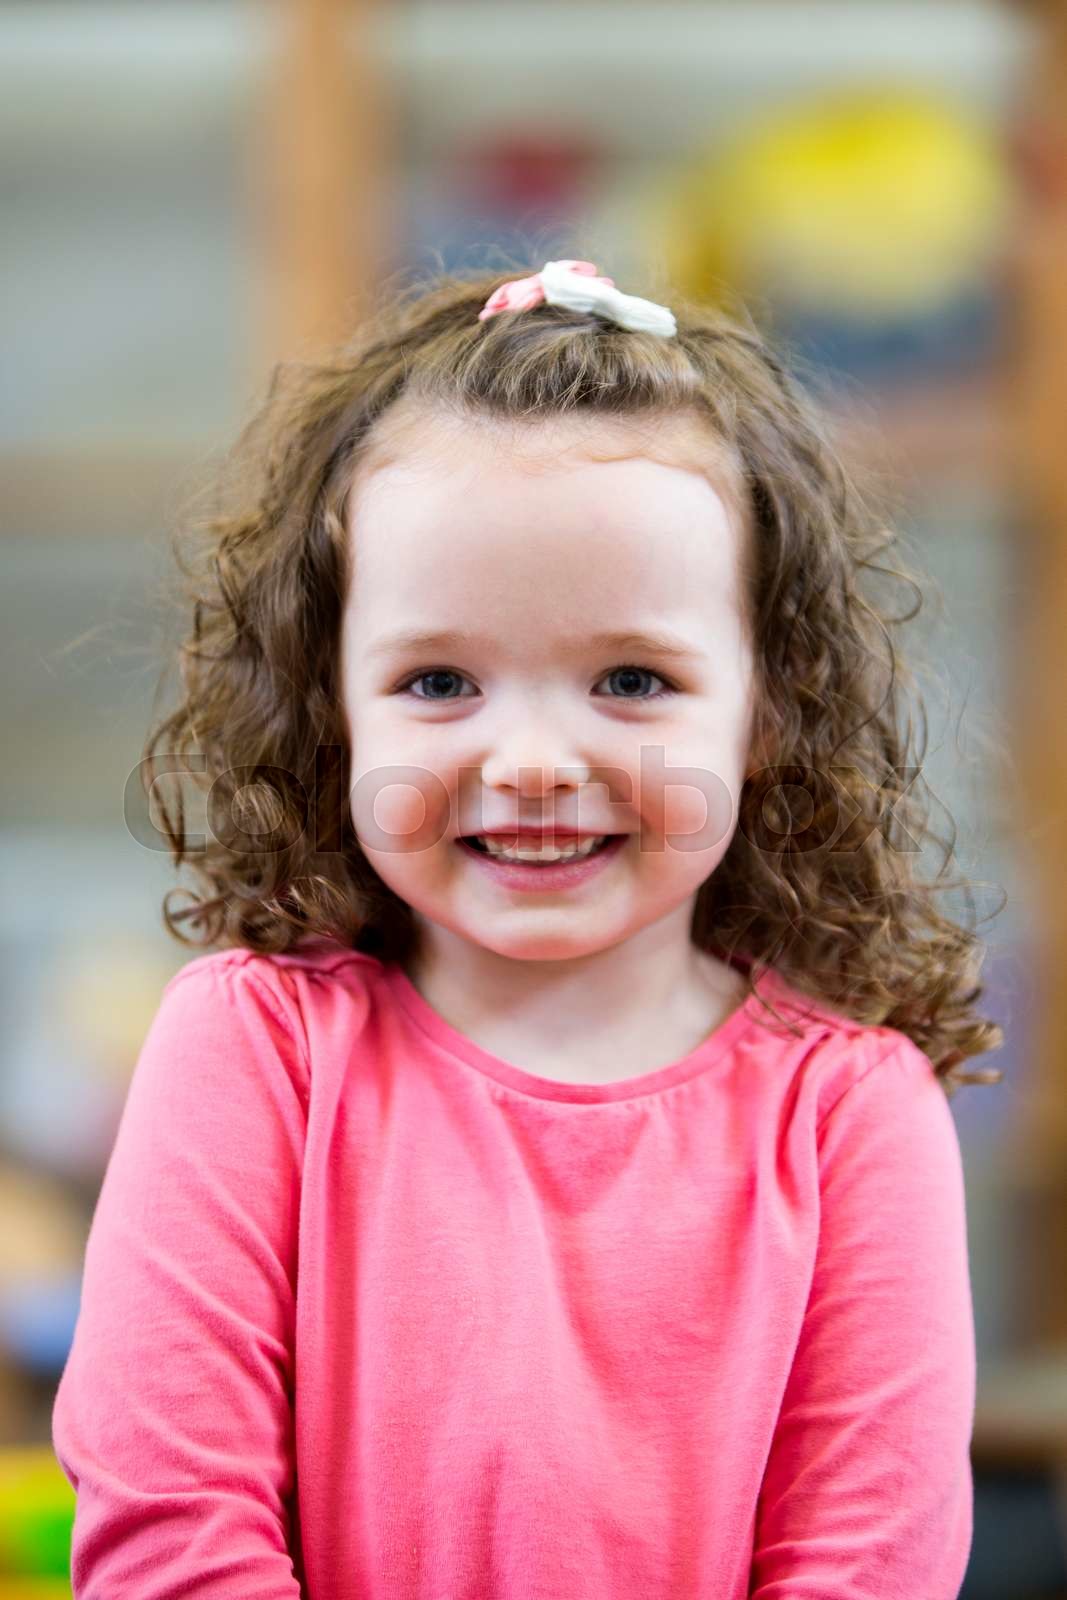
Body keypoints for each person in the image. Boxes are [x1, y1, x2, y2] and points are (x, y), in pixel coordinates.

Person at [52, 258, 1004, 1598]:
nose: (537, 758)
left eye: (633, 679)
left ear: (766, 711)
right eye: (439, 680)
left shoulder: (854, 1115)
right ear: (334, 710)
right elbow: (167, 1531)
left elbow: (867, 1568)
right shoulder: (254, 1052)